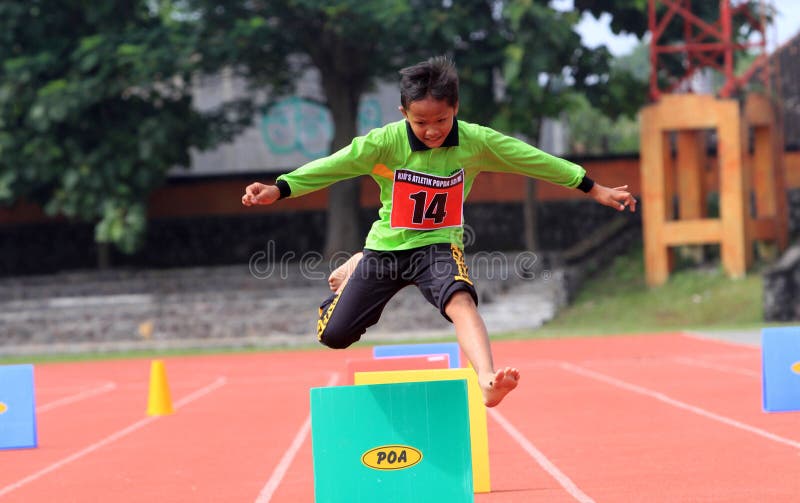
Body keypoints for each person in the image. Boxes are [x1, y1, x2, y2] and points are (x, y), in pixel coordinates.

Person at [242, 56, 637, 407]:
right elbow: (332, 165)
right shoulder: (383, 144)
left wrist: (592, 187)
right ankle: (357, 263)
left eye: (441, 121)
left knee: (461, 300)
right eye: (421, 122)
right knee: (335, 336)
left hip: (439, 245)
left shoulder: (476, 141)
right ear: (403, 112)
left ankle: (485, 380)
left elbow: (535, 161)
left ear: (456, 109)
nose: (432, 131)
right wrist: (279, 188)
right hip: (387, 248)